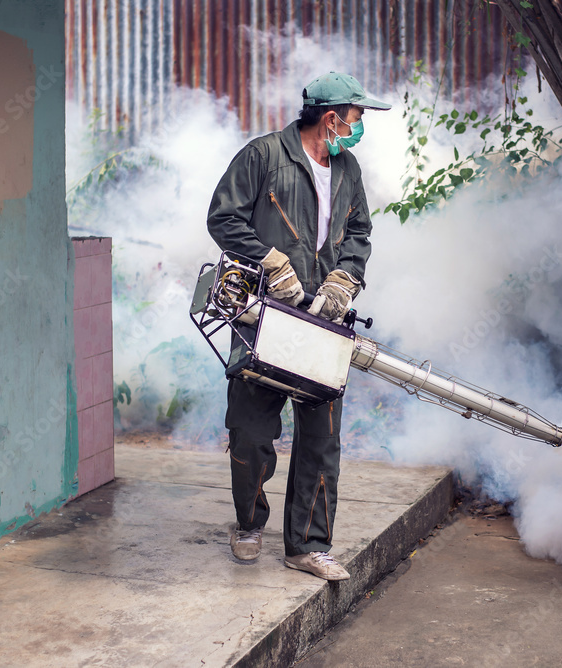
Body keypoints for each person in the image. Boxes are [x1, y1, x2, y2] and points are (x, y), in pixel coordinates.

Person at [206, 73, 390, 581]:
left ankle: (308, 546)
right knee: (250, 433)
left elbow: (359, 232)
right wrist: (270, 261)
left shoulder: (348, 169)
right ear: (332, 118)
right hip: (263, 315)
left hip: (323, 322)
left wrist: (345, 279)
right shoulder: (264, 156)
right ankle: (249, 524)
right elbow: (223, 218)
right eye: (357, 118)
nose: (359, 128)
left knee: (321, 440)